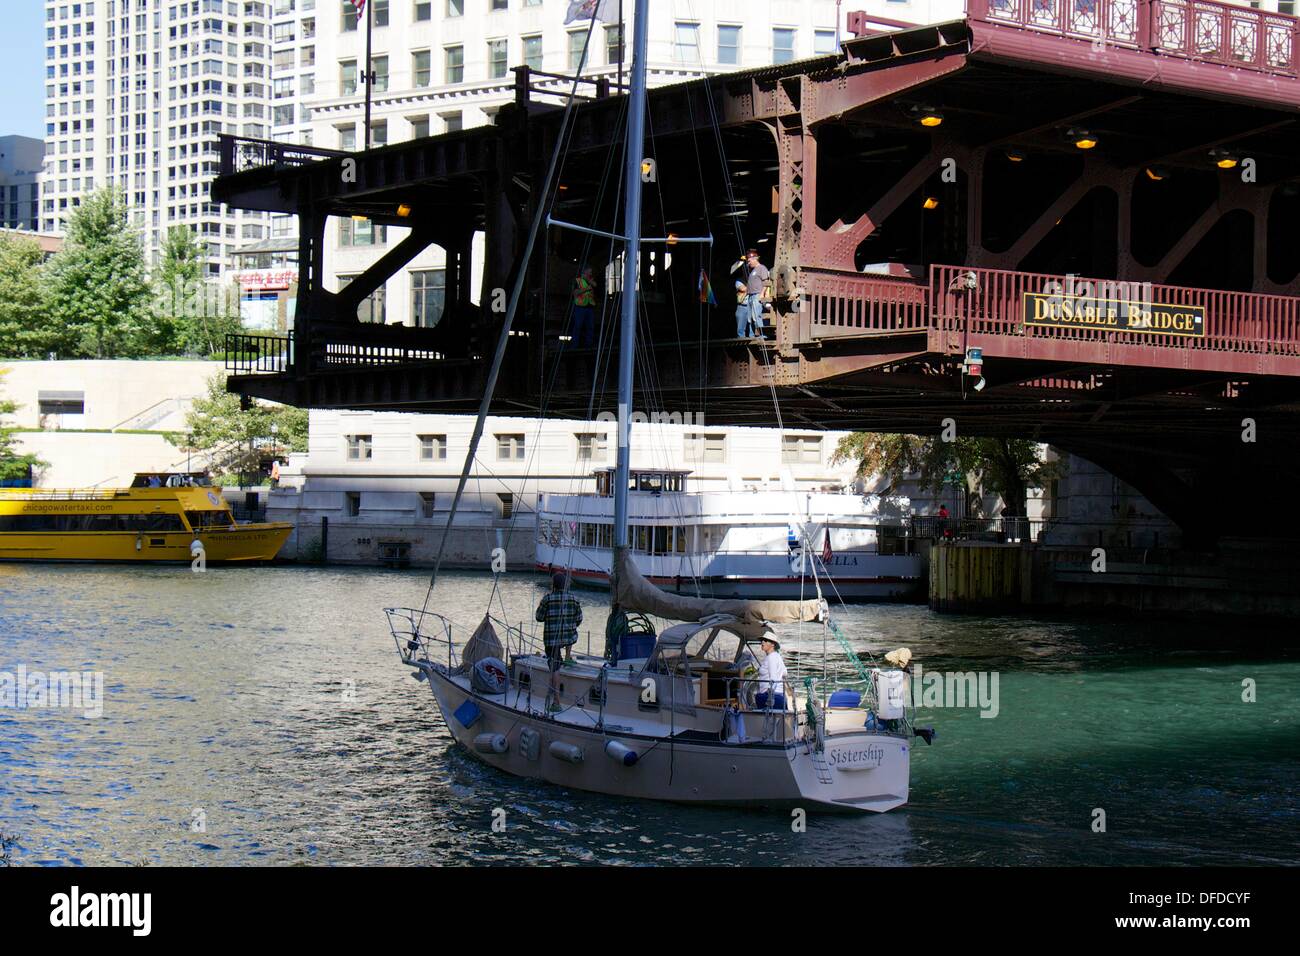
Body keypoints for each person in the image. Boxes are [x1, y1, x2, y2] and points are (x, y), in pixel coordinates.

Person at [535, 571, 583, 710]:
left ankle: (556, 702)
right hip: (569, 637)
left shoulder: (547, 599)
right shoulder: (574, 599)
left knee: (554, 667)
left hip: (552, 640)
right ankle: (568, 656)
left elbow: (539, 617)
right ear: (565, 585)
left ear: (553, 585)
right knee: (571, 632)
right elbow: (579, 619)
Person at [741, 248, 770, 338]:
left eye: (749, 261)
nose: (748, 263)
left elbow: (766, 282)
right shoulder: (752, 271)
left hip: (757, 294)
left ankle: (762, 334)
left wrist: (762, 294)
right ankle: (751, 334)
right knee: (750, 317)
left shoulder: (762, 268)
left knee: (757, 315)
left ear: (755, 259)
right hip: (750, 296)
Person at [755, 636, 787, 711]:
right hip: (778, 695)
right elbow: (785, 673)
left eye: (766, 640)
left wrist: (770, 696)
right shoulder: (776, 656)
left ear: (773, 644)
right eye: (762, 640)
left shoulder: (771, 657)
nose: (762, 642)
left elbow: (773, 678)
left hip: (770, 696)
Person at [570, 265, 597, 348]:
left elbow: (595, 285)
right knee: (578, 326)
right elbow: (575, 293)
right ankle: (574, 346)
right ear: (585, 271)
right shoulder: (577, 281)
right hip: (580, 307)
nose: (591, 273)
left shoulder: (590, 281)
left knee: (590, 327)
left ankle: (588, 345)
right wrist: (586, 289)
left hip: (589, 307)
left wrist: (589, 281)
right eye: (590, 271)